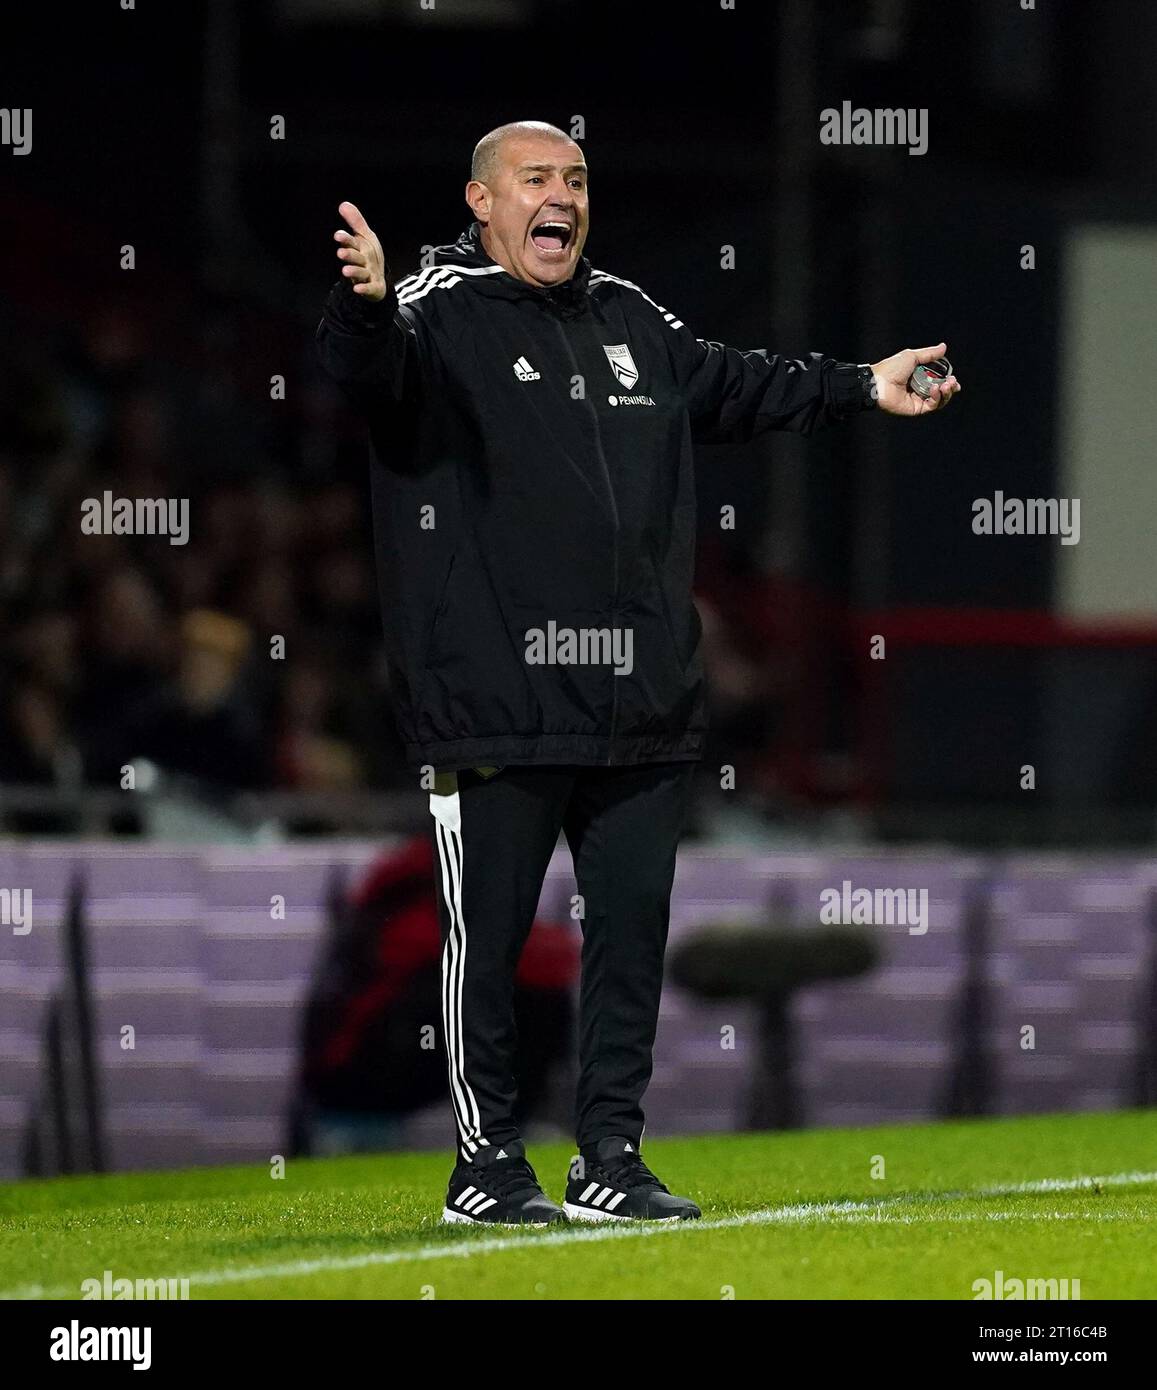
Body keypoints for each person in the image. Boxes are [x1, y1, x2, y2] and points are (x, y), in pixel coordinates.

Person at [315, 120, 960, 1226]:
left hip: (640, 702)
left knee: (627, 943)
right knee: (492, 947)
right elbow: (368, 371)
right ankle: (485, 1164)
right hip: (498, 701)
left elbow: (734, 384)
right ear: (480, 201)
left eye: (573, 179)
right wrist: (364, 305)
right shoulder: (433, 309)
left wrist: (861, 383)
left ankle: (609, 1152)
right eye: (533, 179)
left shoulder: (627, 314)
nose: (558, 195)